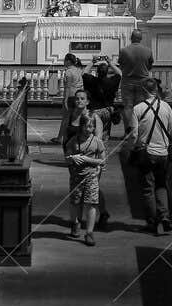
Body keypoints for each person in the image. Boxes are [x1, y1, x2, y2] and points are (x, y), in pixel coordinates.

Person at [129, 79, 172, 235]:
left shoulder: (138, 108)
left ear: (144, 91)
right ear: (156, 90)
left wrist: (135, 147)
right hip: (163, 154)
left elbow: (134, 134)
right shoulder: (166, 106)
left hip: (147, 153)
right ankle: (165, 216)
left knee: (147, 189)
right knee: (161, 185)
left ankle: (152, 222)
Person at [60, 91, 111, 227]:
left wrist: (99, 162)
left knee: (92, 186)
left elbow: (98, 140)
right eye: (77, 99)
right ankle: (79, 219)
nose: (79, 101)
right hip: (74, 159)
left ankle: (99, 213)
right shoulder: (70, 116)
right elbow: (65, 139)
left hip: (91, 159)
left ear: (87, 101)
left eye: (82, 99)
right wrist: (68, 157)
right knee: (78, 189)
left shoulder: (93, 117)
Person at [117, 30, 154, 135]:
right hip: (143, 82)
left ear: (131, 38)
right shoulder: (148, 50)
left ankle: (128, 131)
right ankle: (141, 131)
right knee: (141, 106)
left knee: (128, 106)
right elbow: (149, 66)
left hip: (127, 81)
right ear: (141, 38)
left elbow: (121, 65)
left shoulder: (124, 50)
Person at [49, 52, 88, 145]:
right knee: (79, 117)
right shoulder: (78, 70)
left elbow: (68, 87)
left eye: (65, 60)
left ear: (68, 61)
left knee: (66, 119)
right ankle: (82, 136)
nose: (64, 62)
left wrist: (65, 100)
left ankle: (60, 138)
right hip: (80, 96)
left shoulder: (68, 72)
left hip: (71, 97)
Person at [82, 56, 121, 137]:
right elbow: (119, 73)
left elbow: (84, 73)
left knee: (92, 133)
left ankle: (93, 147)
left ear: (97, 72)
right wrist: (110, 62)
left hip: (94, 110)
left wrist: (92, 62)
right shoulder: (111, 81)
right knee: (105, 134)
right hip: (107, 110)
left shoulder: (91, 80)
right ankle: (103, 148)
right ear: (107, 72)